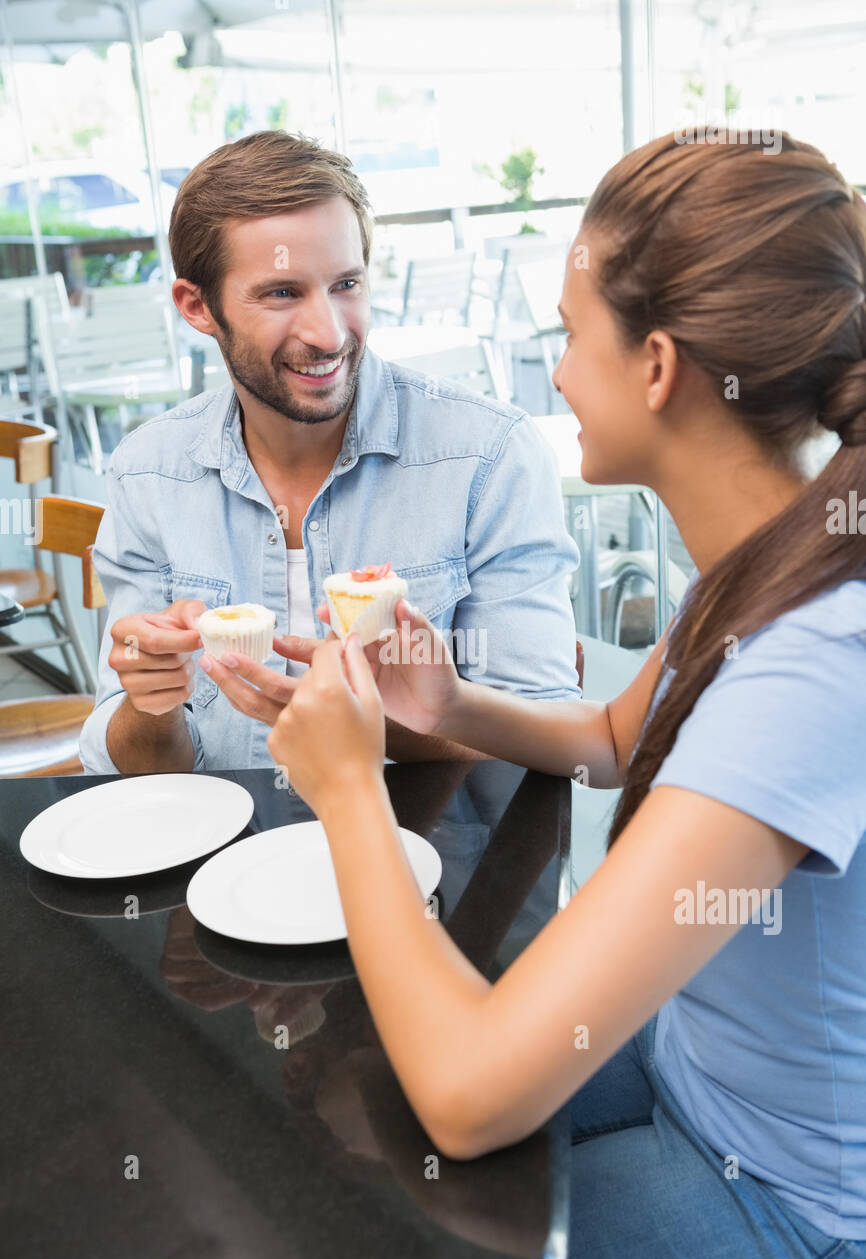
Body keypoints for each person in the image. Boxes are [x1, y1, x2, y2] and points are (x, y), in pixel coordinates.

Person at [231, 129, 866, 1259]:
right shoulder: (767, 557)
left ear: (659, 365)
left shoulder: (817, 662)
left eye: (573, 337)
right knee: (366, 1138)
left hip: (794, 1204)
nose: (559, 371)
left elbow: (472, 1097)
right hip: (695, 1066)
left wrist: (348, 788)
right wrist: (451, 700)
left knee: (420, 1229)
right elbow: (622, 738)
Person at [78, 131, 581, 776]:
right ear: (196, 306)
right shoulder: (147, 472)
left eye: (345, 284)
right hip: (223, 866)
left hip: (432, 859)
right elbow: (137, 766)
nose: (330, 333)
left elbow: (548, 735)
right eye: (283, 293)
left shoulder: (490, 456)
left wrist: (382, 720)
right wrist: (151, 704)